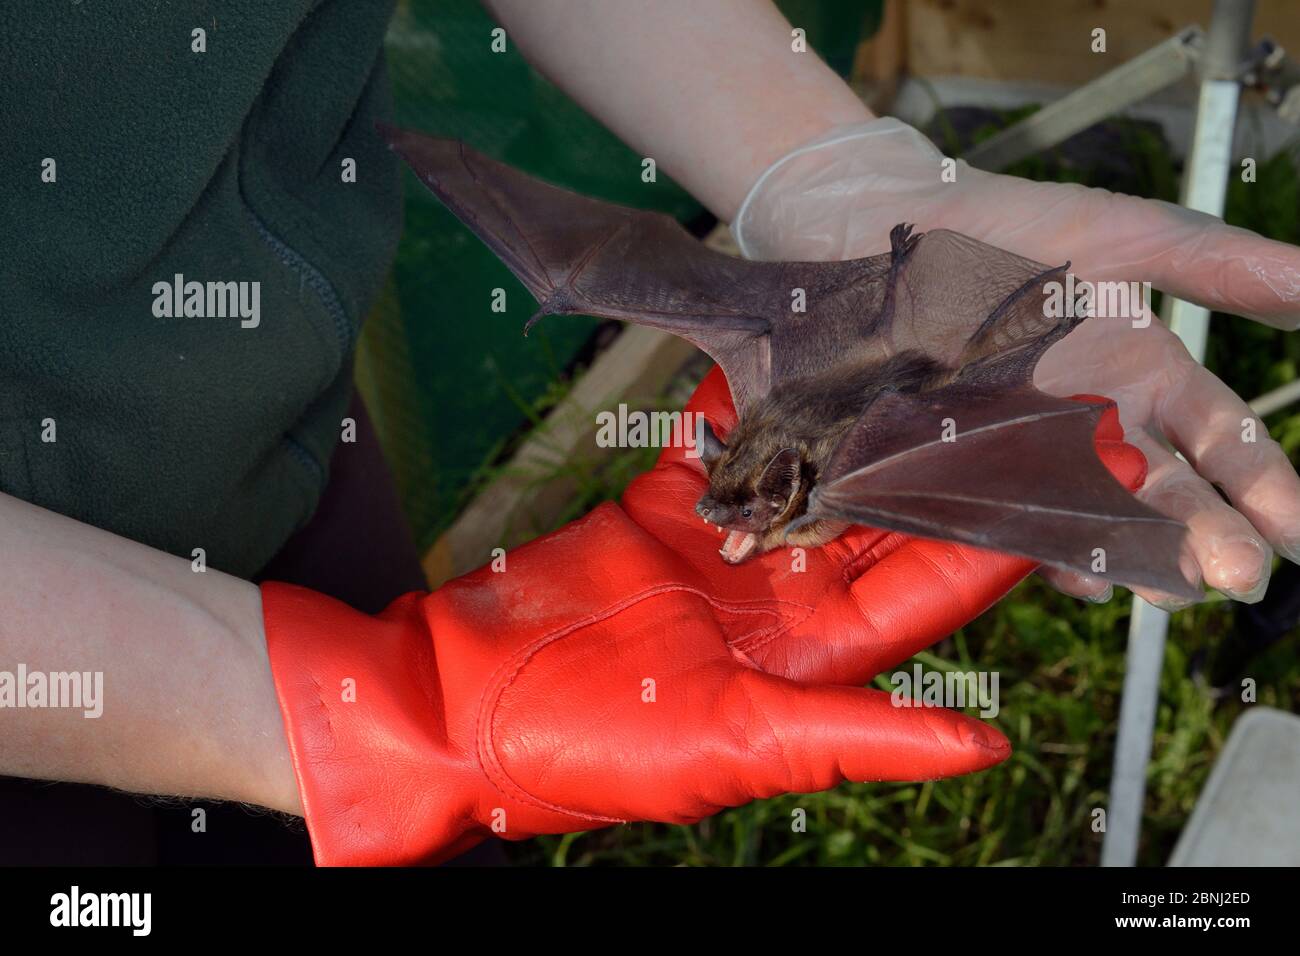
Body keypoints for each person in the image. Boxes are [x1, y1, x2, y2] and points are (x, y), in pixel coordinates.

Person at [2, 0, 1298, 865]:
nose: (736, 532)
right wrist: (365, 718)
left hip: (273, 452)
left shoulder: (831, 443)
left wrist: (822, 167)